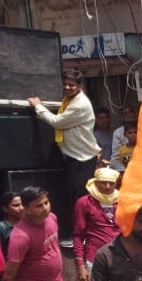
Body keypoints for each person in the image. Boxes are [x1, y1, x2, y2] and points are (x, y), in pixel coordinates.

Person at [29, 67, 101, 201]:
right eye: (65, 84)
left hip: (82, 158)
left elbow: (57, 122)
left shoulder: (79, 104)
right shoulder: (69, 100)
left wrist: (38, 106)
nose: (67, 87)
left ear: (80, 86)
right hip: (75, 156)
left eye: (71, 85)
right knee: (74, 196)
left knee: (81, 199)